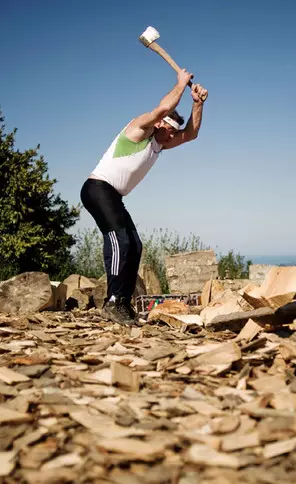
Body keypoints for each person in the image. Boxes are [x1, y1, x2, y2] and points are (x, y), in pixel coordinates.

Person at [80, 68, 208, 325]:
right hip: (97, 188)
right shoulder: (138, 129)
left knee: (135, 246)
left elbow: (191, 134)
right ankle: (113, 302)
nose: (173, 136)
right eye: (170, 130)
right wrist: (181, 84)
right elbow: (161, 110)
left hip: (114, 195)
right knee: (119, 241)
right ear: (160, 124)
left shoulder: (159, 143)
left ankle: (123, 302)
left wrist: (197, 104)